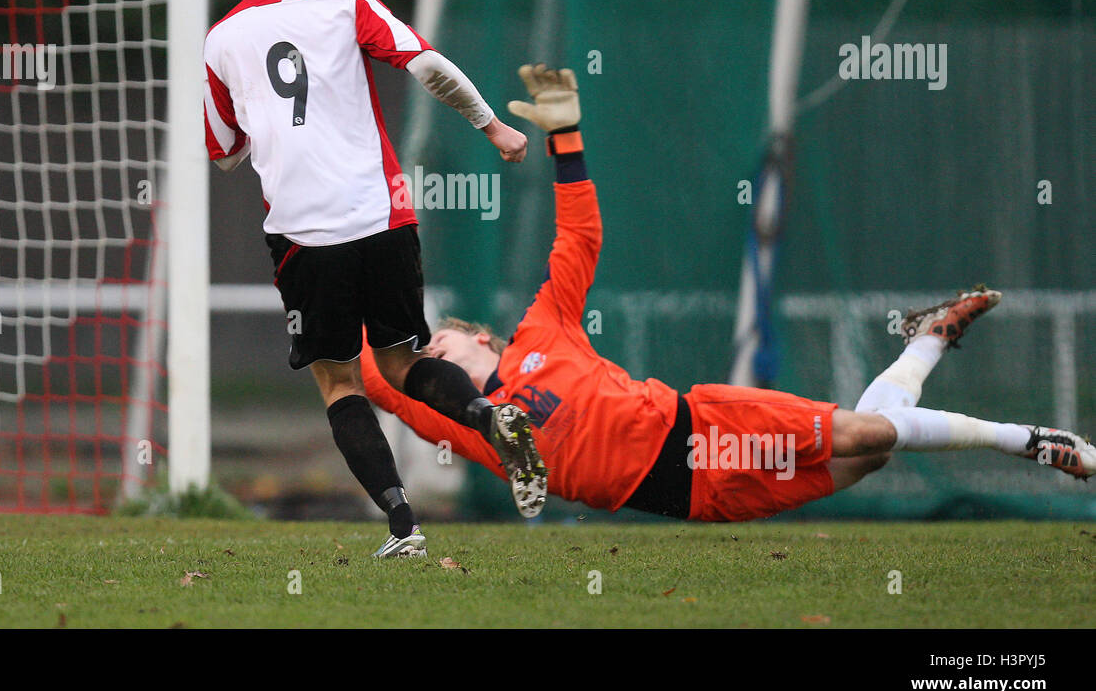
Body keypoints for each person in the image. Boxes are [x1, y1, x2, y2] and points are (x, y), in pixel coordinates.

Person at [360, 64, 1094, 524]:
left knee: (868, 435)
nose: (433, 360)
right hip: (695, 499)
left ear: (481, 339)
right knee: (869, 452)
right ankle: (929, 340)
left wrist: (567, 136)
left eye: (440, 344)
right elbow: (379, 378)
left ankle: (1029, 441)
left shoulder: (541, 333)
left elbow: (579, 238)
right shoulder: (480, 433)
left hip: (697, 428)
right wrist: (333, 264)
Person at [203, 0, 546, 557]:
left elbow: (223, 152)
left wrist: (268, 129)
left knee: (339, 381)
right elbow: (428, 66)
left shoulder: (221, 42)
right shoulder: (347, 5)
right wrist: (494, 127)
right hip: (382, 217)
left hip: (305, 236)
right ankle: (485, 413)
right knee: (401, 360)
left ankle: (402, 528)